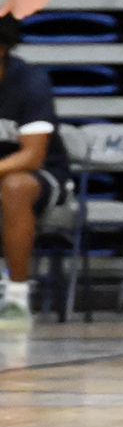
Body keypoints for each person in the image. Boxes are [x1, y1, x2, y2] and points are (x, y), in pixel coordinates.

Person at [0, 18, 67, 327]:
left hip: (40, 176)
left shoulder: (30, 81)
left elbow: (32, 155)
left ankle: (16, 298)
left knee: (14, 187)